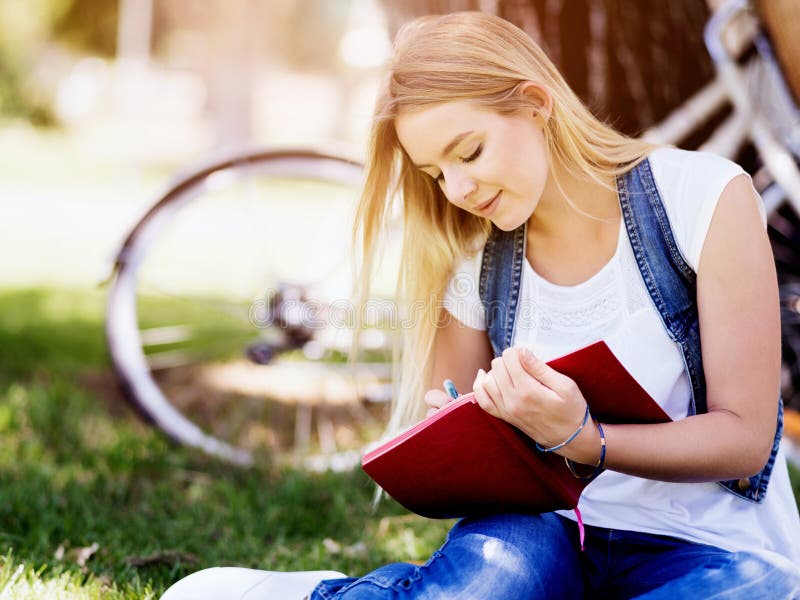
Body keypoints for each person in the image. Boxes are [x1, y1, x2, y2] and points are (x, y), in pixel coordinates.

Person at [162, 11, 800, 599]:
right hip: (546, 537)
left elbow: (745, 439)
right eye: (437, 173)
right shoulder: (474, 257)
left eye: (468, 152)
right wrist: (462, 430)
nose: (459, 189)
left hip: (714, 551)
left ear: (535, 104)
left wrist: (586, 440)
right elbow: (466, 455)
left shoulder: (704, 196)